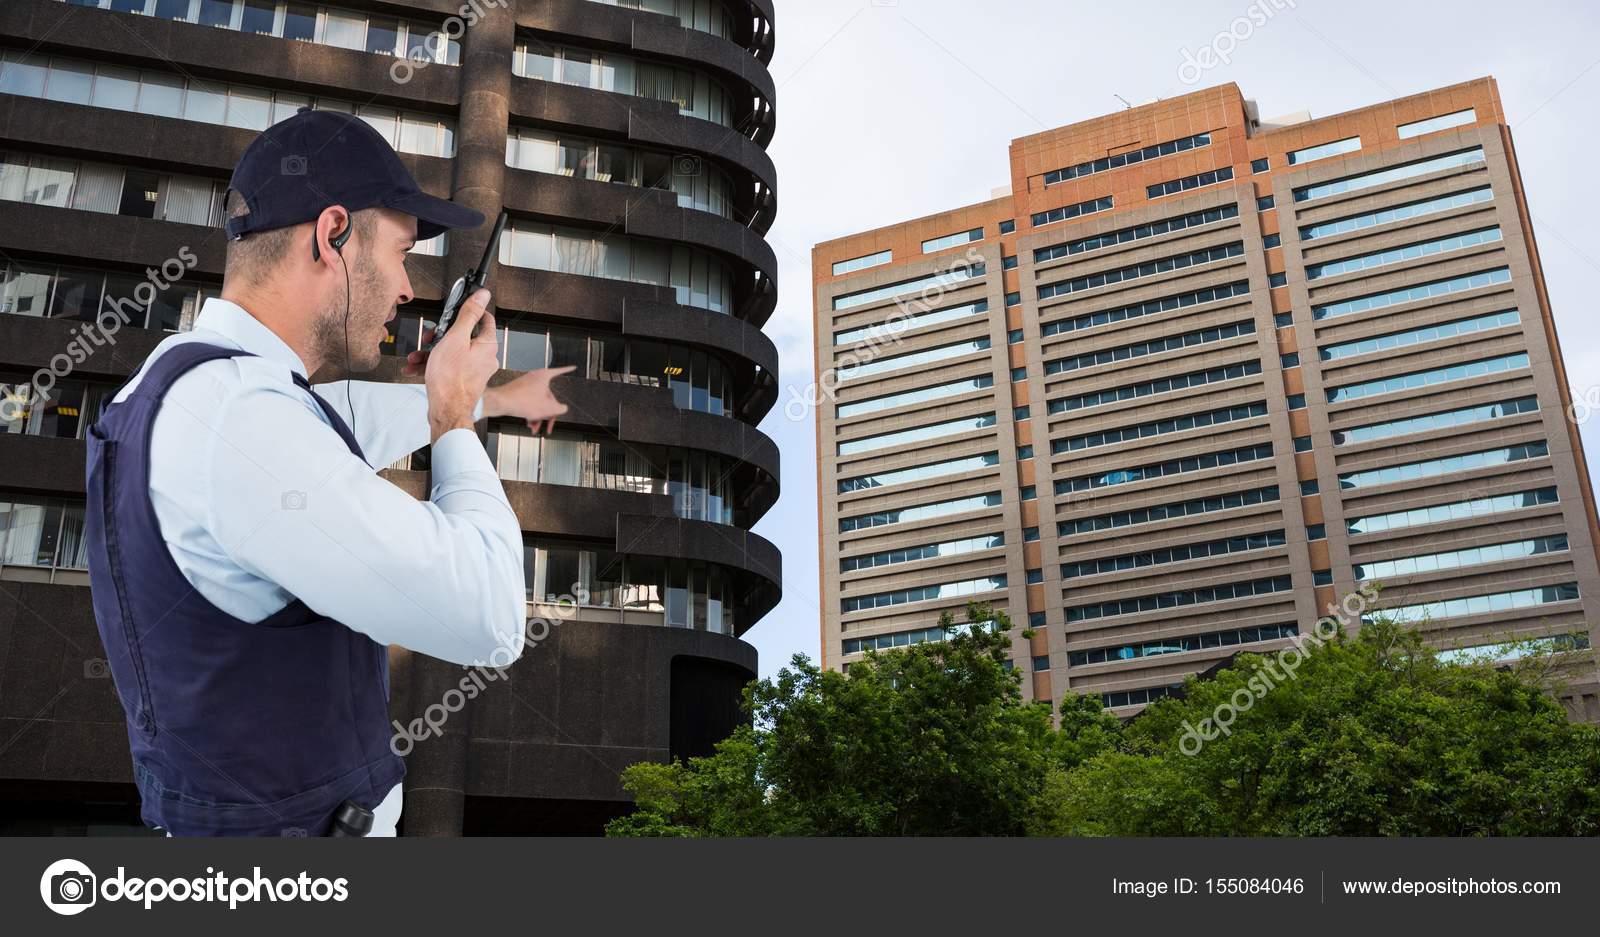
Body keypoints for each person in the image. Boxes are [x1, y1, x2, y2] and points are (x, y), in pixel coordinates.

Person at [81, 107, 573, 836]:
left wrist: (459, 393)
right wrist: (456, 422)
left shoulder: (177, 383)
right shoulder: (243, 421)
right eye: (404, 253)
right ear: (332, 233)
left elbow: (333, 432)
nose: (408, 289)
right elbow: (491, 616)